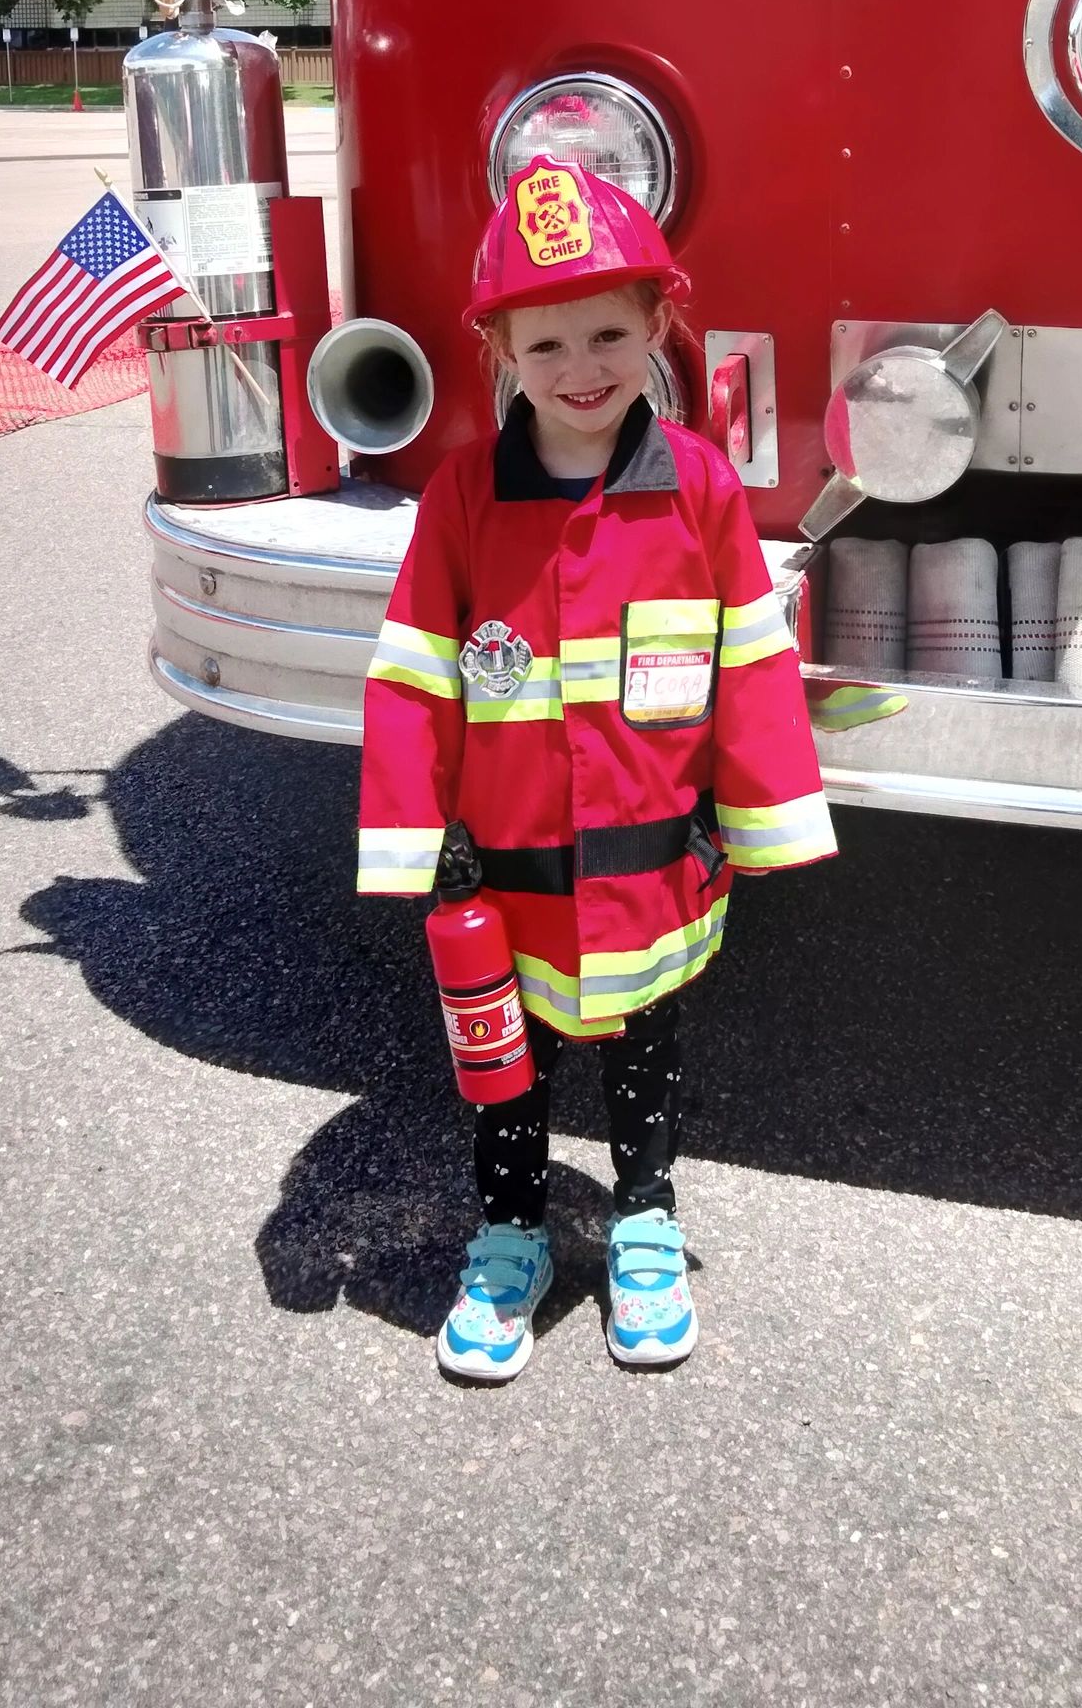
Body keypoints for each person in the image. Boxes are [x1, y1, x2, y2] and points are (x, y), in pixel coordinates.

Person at [357, 156, 837, 1381]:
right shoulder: (464, 497)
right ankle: (512, 1230)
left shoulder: (704, 491)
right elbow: (415, 672)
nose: (584, 369)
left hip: (657, 864)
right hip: (505, 877)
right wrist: (418, 841)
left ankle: (644, 1218)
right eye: (550, 342)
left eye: (612, 333)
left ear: (658, 327)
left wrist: (760, 819)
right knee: (504, 1071)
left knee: (645, 1045)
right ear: (502, 352)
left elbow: (751, 660)